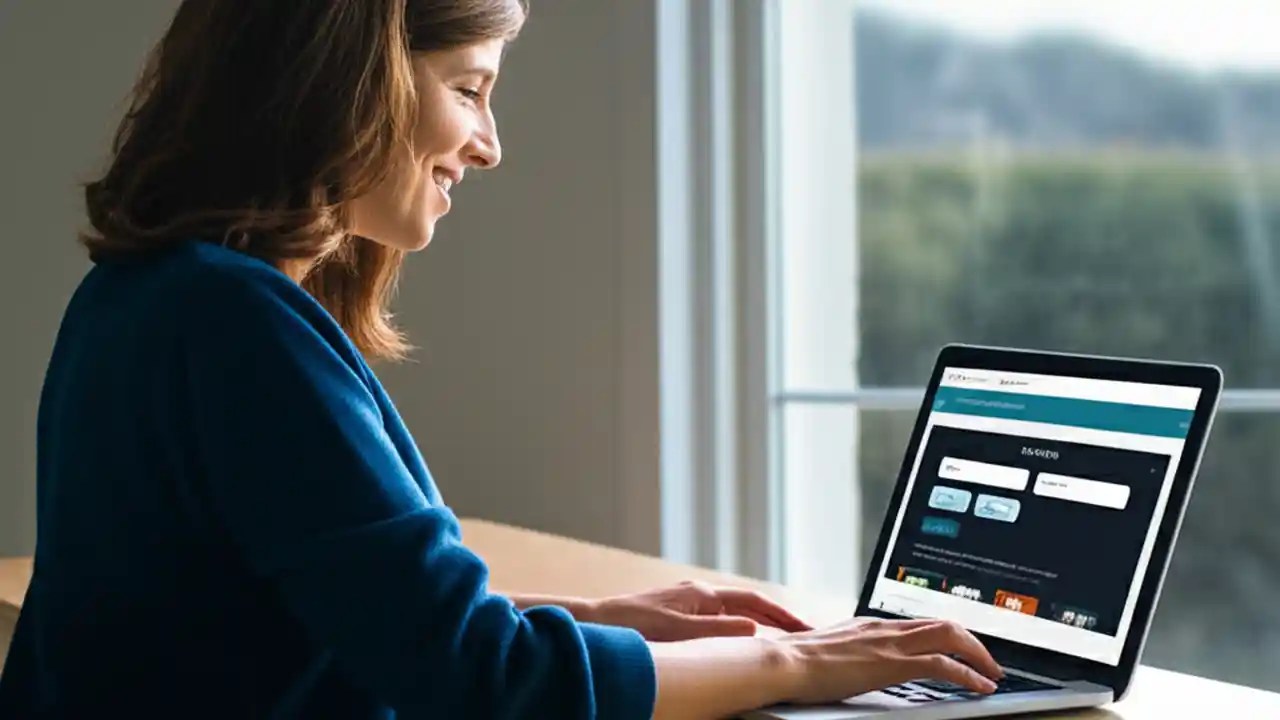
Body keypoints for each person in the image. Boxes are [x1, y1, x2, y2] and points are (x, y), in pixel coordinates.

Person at [0, 1, 1003, 718]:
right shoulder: (228, 324)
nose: (487, 143)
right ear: (352, 80)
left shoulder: (149, 297)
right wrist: (791, 661)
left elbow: (326, 618)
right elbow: (475, 680)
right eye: (469, 89)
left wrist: (604, 618)